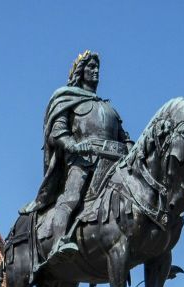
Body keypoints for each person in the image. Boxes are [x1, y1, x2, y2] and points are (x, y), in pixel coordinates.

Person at [23, 50, 133, 264]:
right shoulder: (69, 100)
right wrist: (74, 145)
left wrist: (134, 149)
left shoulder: (109, 108)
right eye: (91, 67)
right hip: (84, 161)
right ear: (81, 72)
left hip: (115, 163)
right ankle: (58, 243)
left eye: (97, 68)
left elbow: (124, 137)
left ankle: (150, 247)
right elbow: (58, 131)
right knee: (71, 197)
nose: (96, 71)